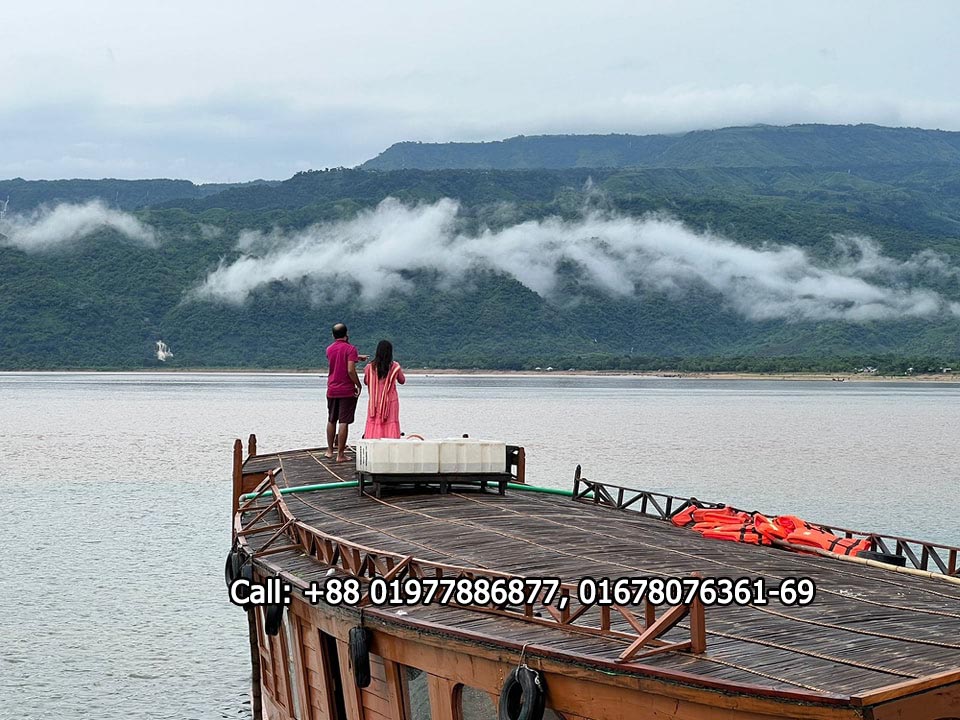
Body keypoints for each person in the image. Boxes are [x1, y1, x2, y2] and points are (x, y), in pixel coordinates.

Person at [325, 323, 366, 462]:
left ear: (333, 335)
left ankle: (330, 451)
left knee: (331, 419)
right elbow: (350, 370)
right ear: (346, 334)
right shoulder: (351, 348)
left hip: (332, 389)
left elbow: (338, 358)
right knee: (344, 421)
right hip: (346, 390)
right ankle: (340, 455)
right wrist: (358, 384)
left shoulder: (329, 349)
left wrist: (356, 357)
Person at [363, 339, 405, 439]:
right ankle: (390, 444)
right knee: (390, 423)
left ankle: (374, 442)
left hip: (375, 402)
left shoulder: (370, 367)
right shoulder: (395, 366)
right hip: (390, 401)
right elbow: (402, 380)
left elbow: (365, 382)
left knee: (374, 422)